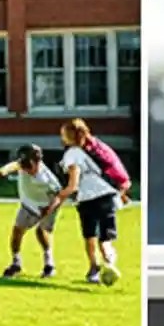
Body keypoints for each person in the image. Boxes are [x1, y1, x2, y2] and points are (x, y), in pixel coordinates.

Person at [41, 120, 123, 286]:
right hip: (107, 195)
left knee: (90, 236)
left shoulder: (72, 154)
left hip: (89, 199)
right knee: (105, 238)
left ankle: (94, 269)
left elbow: (73, 186)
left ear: (69, 136)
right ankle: (109, 264)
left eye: (63, 133)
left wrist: (55, 201)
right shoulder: (91, 149)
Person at [0, 144, 61, 279]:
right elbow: (1, 171)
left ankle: (49, 264)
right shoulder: (19, 165)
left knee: (41, 232)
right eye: (23, 164)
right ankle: (16, 264)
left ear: (37, 162)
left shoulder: (47, 179)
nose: (25, 169)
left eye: (28, 165)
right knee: (17, 231)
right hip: (28, 204)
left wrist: (48, 210)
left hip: (48, 205)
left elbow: (58, 196)